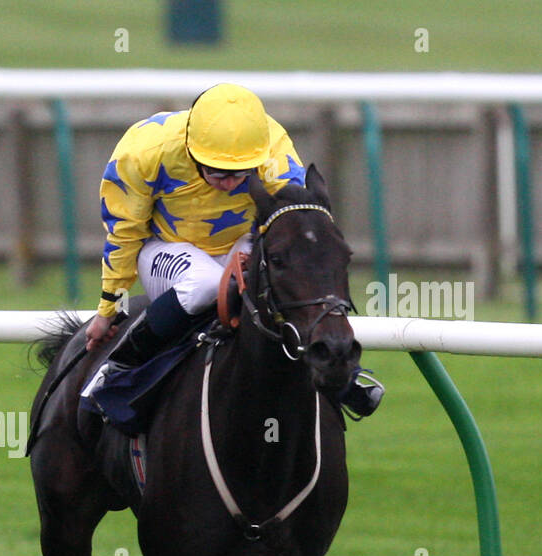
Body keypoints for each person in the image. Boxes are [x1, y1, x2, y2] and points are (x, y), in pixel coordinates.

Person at [84, 82, 381, 417]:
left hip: (244, 241)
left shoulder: (272, 147)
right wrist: (108, 308)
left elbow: (295, 224)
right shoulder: (143, 152)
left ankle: (341, 374)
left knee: (275, 273)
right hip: (166, 248)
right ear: (192, 151)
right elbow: (125, 234)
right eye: (216, 172)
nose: (227, 183)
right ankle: (121, 365)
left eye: (239, 174)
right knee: (208, 283)